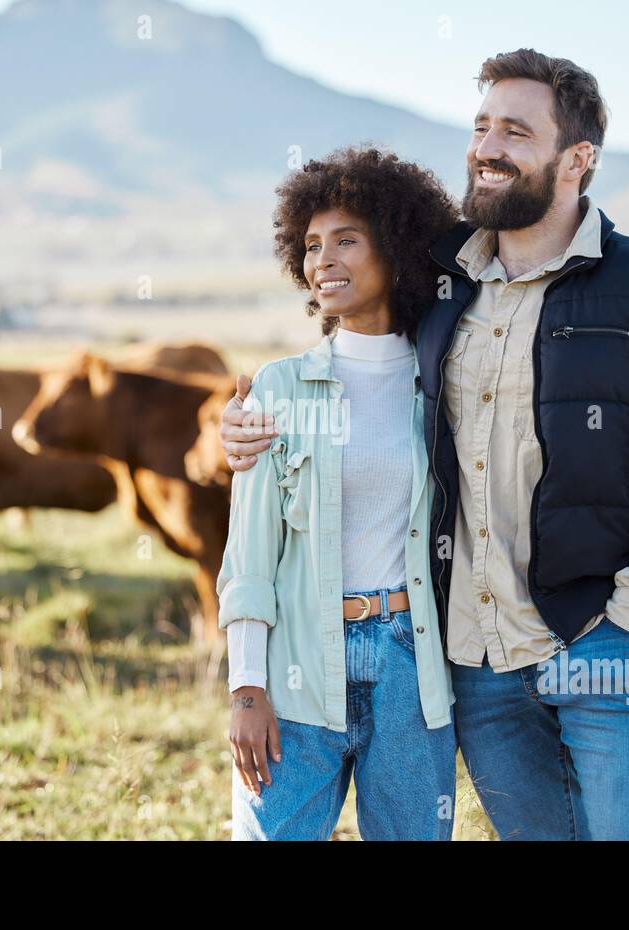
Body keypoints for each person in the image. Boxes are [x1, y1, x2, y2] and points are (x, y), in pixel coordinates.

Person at [221, 49, 629, 840]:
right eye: (481, 126)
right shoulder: (443, 288)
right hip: (481, 673)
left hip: (611, 654)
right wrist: (233, 430)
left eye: (516, 130)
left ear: (578, 160)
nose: (488, 147)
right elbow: (342, 381)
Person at [219, 147, 460, 840]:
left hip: (413, 670)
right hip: (297, 669)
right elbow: (250, 555)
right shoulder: (279, 388)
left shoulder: (442, 384)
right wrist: (246, 688)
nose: (323, 258)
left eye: (346, 240)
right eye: (312, 245)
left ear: (398, 249)